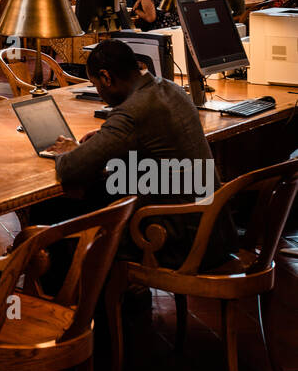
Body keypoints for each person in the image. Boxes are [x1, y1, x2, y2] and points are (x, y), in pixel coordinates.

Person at [47, 38, 236, 270]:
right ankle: (124, 301)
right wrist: (106, 135)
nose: (99, 92)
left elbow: (70, 169)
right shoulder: (170, 89)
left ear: (106, 77)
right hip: (212, 228)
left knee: (58, 211)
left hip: (178, 240)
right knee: (103, 192)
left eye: (96, 85)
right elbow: (149, 136)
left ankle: (65, 300)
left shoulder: (131, 112)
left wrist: (68, 151)